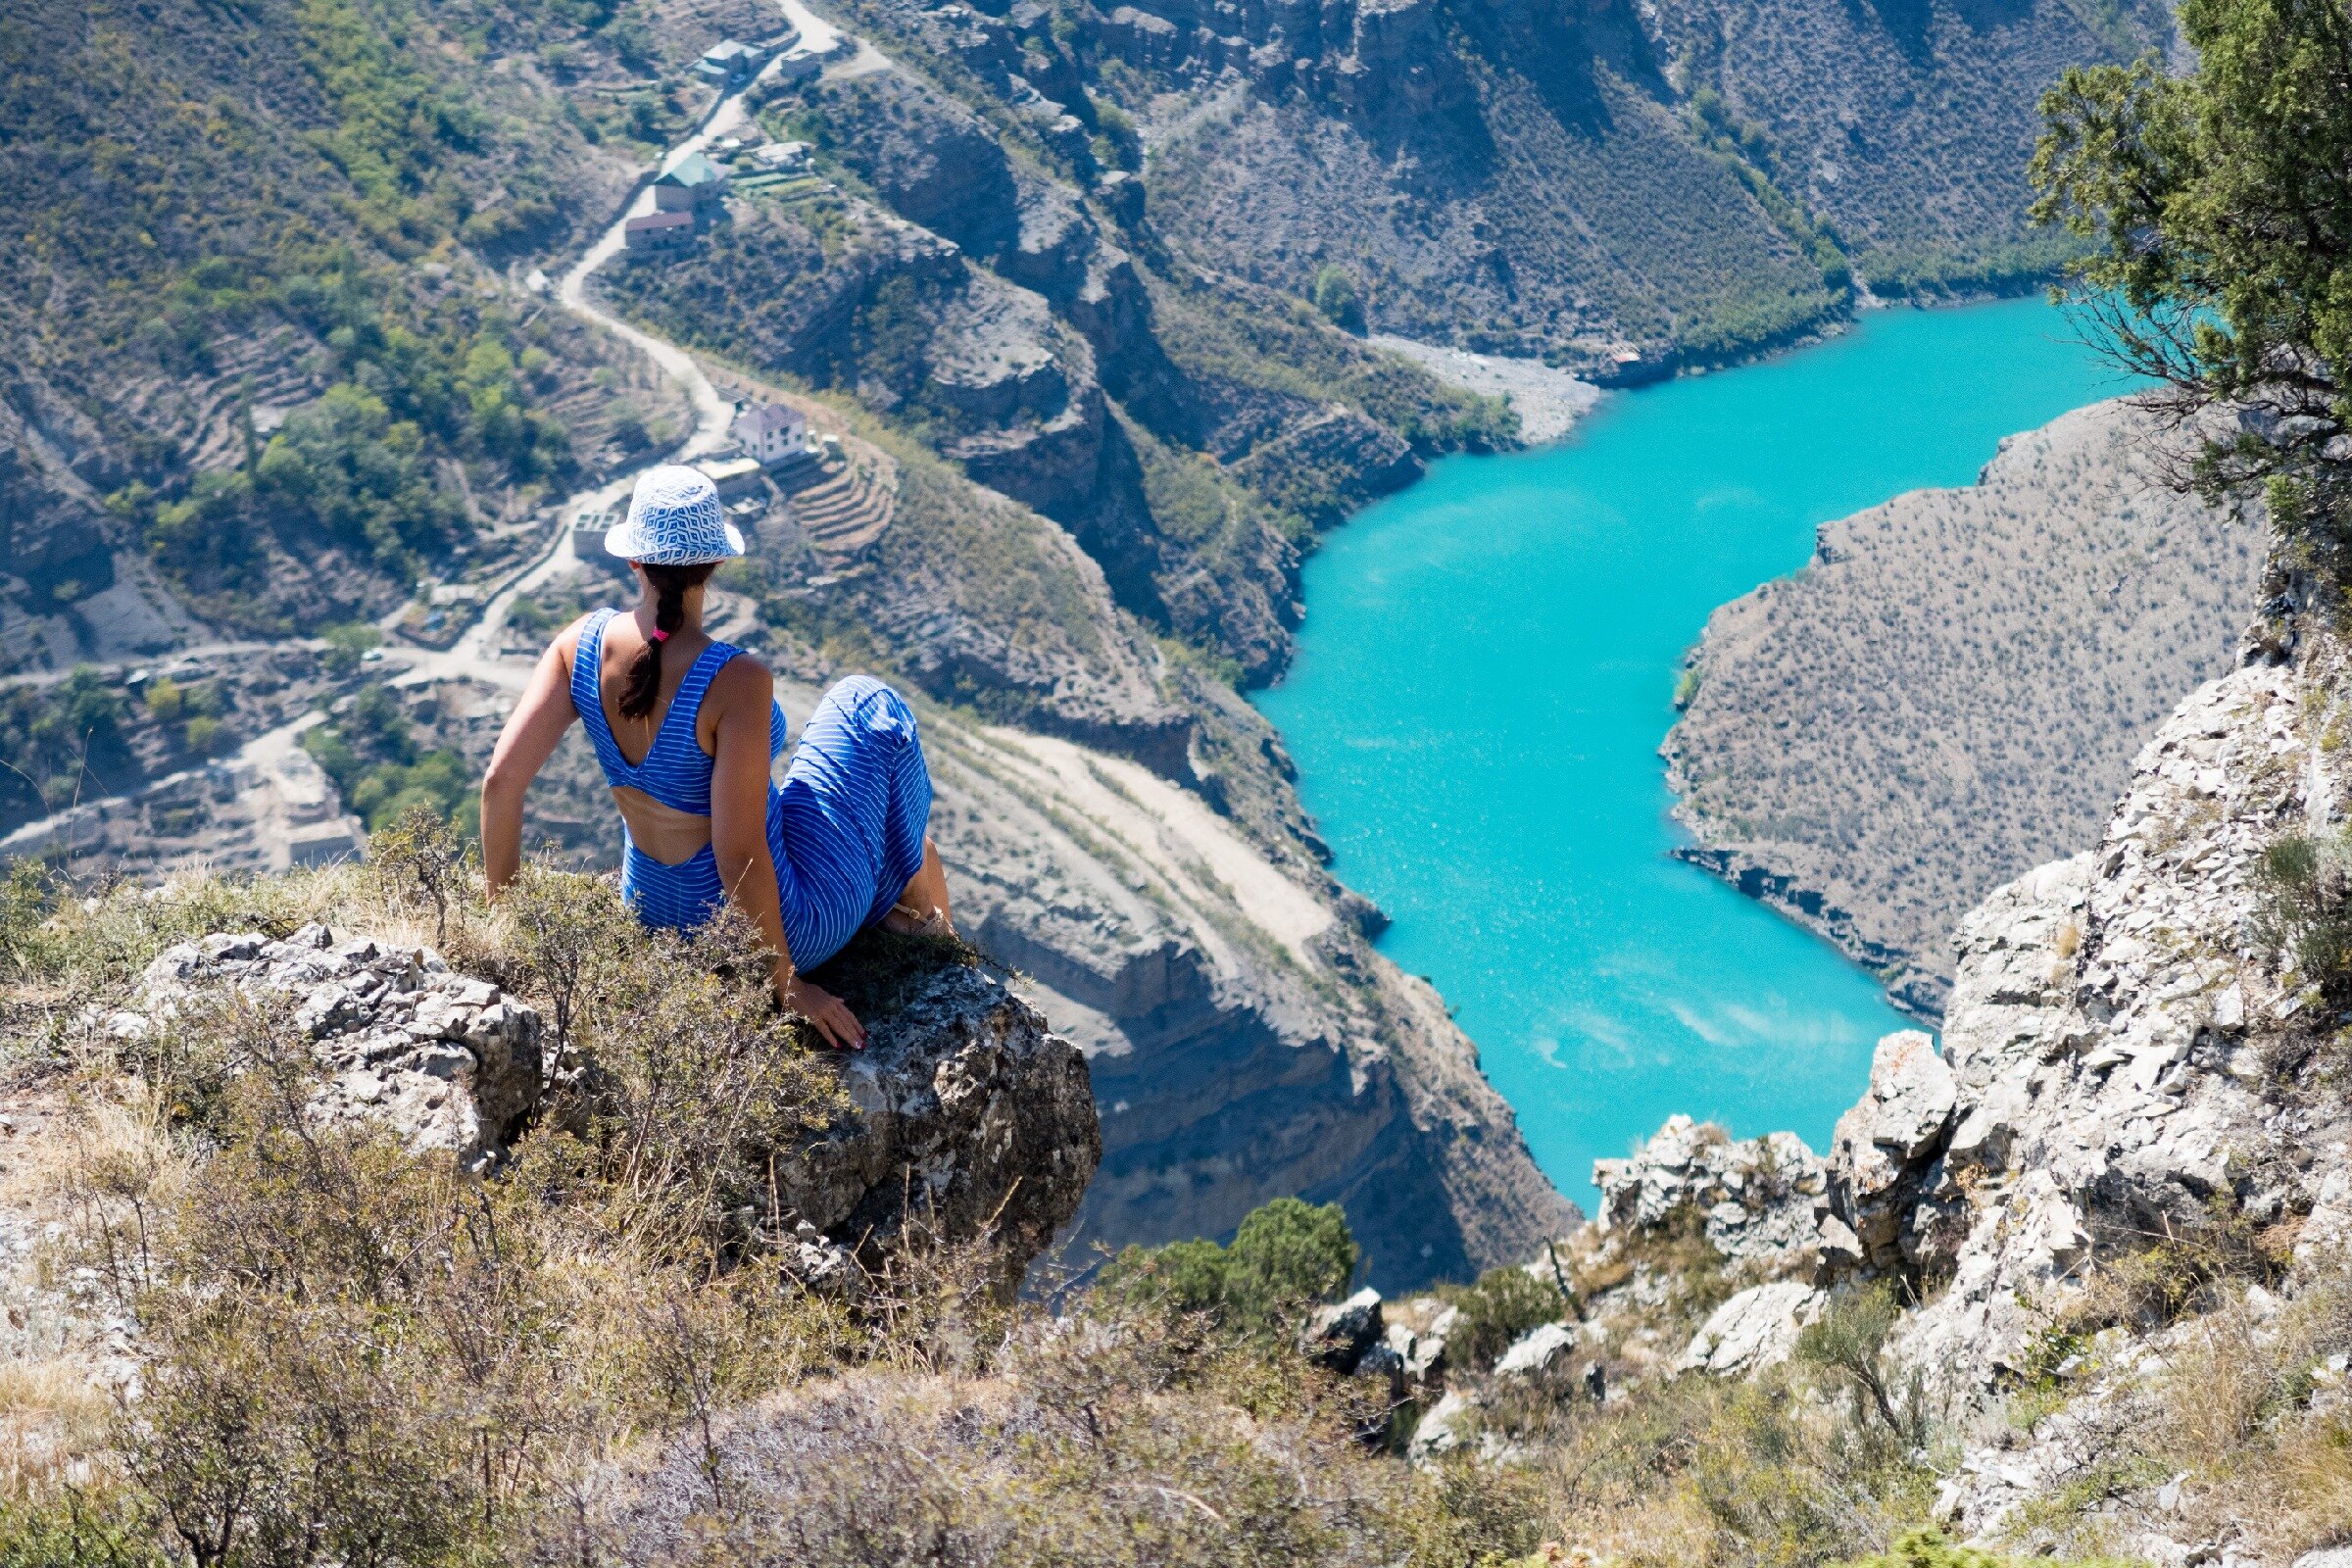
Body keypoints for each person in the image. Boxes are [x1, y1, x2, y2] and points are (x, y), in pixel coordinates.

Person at [480, 465, 952, 1050]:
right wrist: (787, 984)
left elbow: (501, 782)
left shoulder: (577, 646)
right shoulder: (735, 679)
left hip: (652, 917)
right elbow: (738, 851)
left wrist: (503, 926)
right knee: (865, 700)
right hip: (777, 930)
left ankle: (900, 888)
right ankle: (926, 921)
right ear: (715, 564)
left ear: (633, 560)